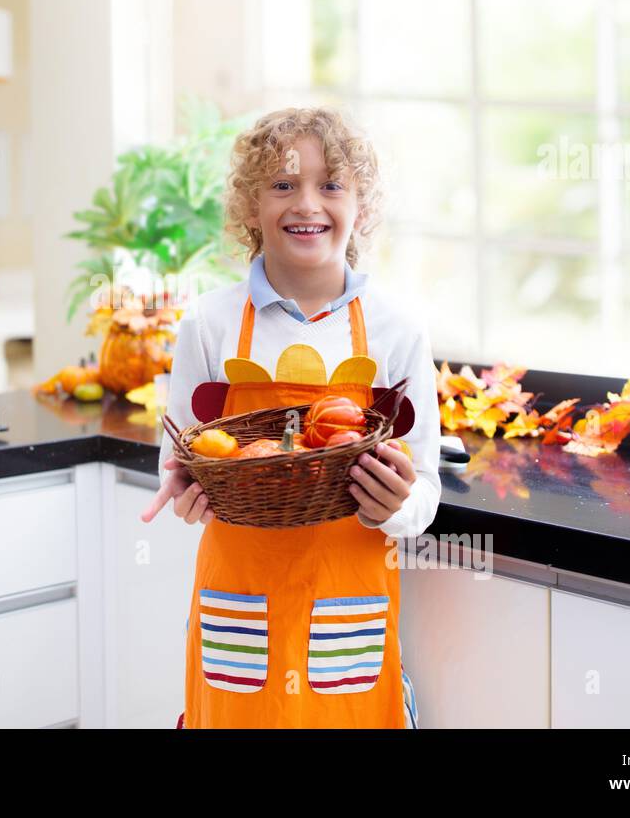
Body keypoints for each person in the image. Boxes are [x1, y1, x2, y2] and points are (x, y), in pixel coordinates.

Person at [141, 108, 441, 729]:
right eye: (282, 184)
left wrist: (397, 507)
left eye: (331, 185)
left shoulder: (397, 331)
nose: (308, 203)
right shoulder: (208, 323)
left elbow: (425, 494)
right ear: (251, 208)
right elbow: (180, 464)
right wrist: (182, 494)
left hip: (348, 602)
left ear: (361, 205)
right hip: (239, 605)